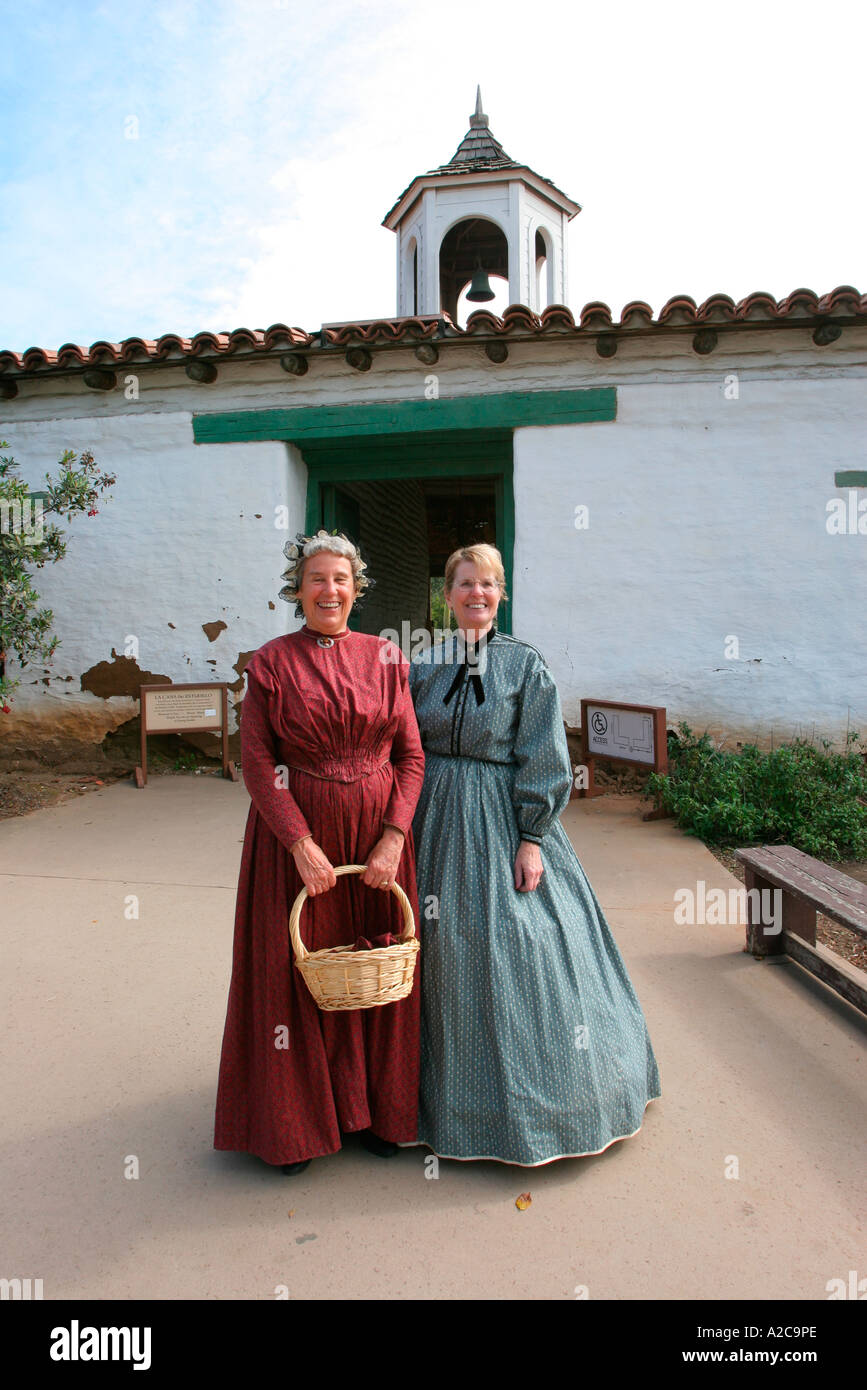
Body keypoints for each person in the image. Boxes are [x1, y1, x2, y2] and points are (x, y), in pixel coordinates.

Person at [407, 543, 661, 1166]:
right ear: (448, 595)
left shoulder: (525, 667)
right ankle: (427, 1101)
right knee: (435, 952)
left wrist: (532, 837)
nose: (477, 594)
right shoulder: (422, 663)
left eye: (489, 584)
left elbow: (545, 758)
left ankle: (541, 1110)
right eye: (465, 584)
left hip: (500, 818)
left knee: (518, 943)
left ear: (502, 594)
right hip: (431, 816)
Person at [214, 531, 425, 1175]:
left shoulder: (387, 658)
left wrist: (393, 837)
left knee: (376, 967)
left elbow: (410, 757)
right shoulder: (271, 663)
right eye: (316, 579)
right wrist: (299, 843)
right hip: (295, 841)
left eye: (340, 579)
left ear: (356, 589)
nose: (329, 590)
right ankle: (296, 1124)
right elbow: (256, 765)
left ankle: (378, 1114)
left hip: (377, 843)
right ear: (297, 590)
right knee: (297, 976)